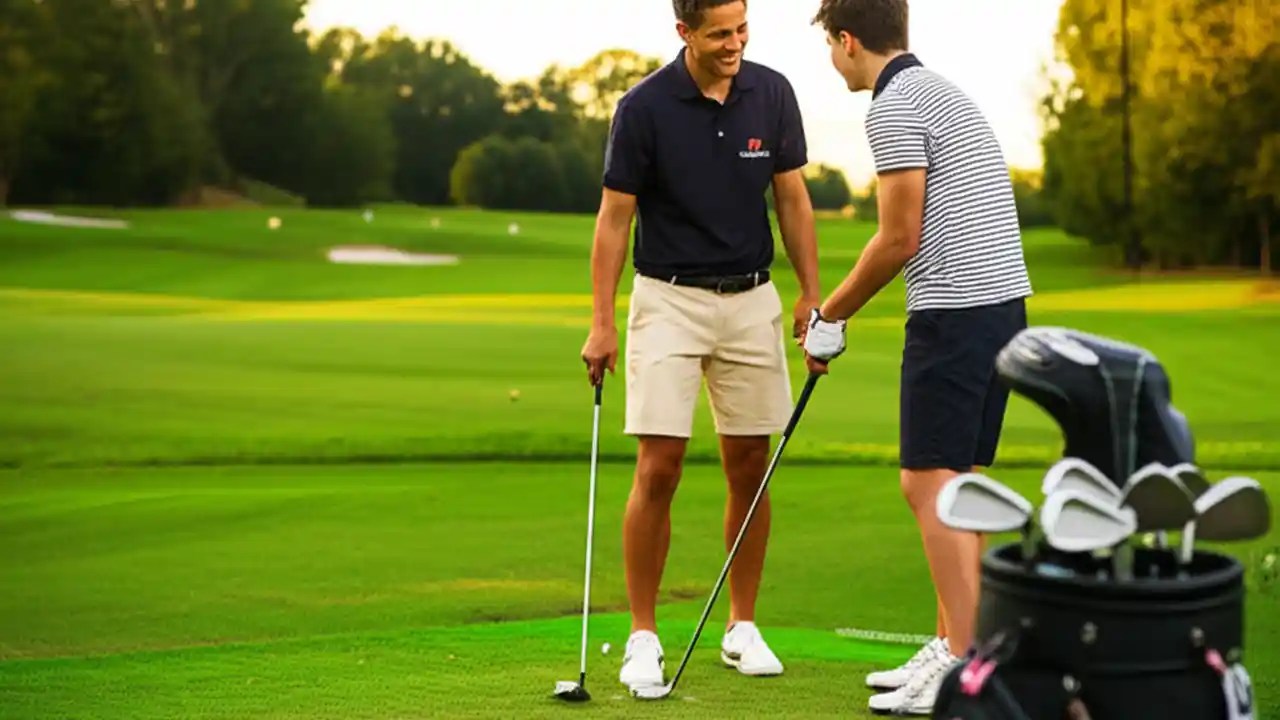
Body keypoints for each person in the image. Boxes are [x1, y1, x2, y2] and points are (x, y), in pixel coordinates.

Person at [579, 0, 822, 692]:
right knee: (660, 465)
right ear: (684, 32)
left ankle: (741, 627)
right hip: (668, 298)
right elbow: (613, 219)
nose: (735, 44)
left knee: (751, 463)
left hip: (752, 299)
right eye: (720, 33)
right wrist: (601, 320)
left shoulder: (771, 93)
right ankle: (643, 636)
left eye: (742, 29)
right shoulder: (644, 108)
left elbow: (793, 200)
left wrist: (810, 292)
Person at [800, 0, 1034, 715]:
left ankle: (967, 668)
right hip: (998, 309)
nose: (832, 61)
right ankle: (952, 646)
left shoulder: (893, 104)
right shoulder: (941, 90)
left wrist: (827, 315)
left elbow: (899, 237)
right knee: (959, 486)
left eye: (829, 48)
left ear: (847, 41)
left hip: (956, 313)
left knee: (924, 484)